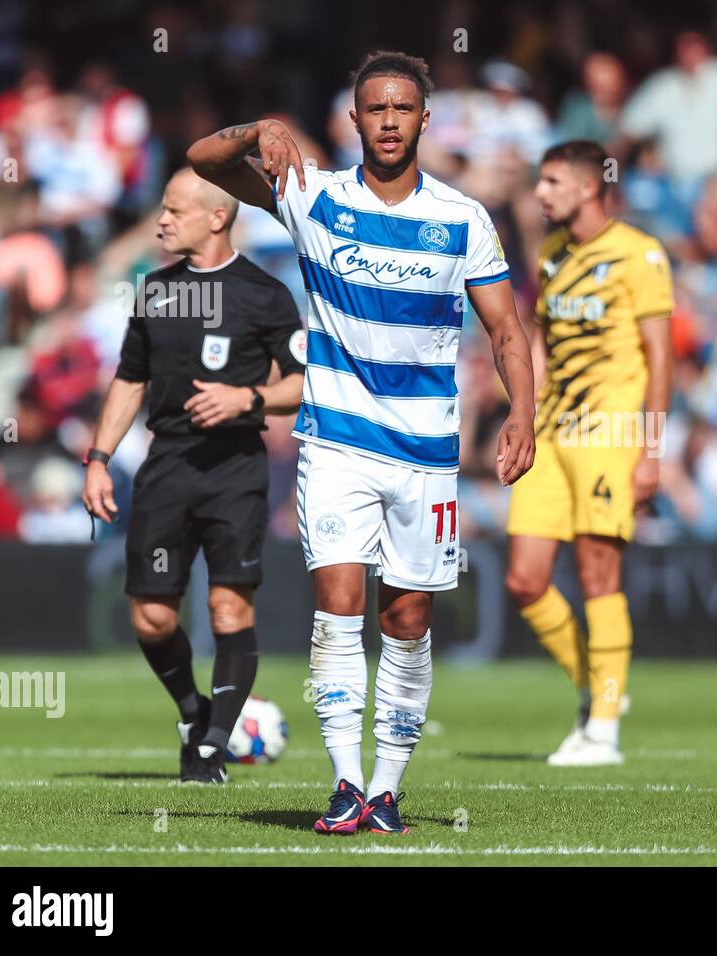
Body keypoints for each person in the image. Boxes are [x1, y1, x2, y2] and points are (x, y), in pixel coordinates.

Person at [187, 51, 536, 834]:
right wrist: (262, 127)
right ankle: (345, 783)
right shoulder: (311, 194)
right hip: (337, 441)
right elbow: (204, 158)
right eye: (374, 108)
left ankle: (386, 787)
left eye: (401, 109)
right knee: (337, 607)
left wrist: (524, 413)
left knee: (407, 620)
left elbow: (507, 329)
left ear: (423, 120)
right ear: (354, 119)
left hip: (427, 450)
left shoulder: (462, 218)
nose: (387, 121)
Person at [81, 168, 305, 783]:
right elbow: (130, 379)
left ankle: (210, 748)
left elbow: (303, 380)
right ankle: (193, 714)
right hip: (168, 469)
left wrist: (246, 400)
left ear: (216, 217)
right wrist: (98, 460)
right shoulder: (154, 290)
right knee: (151, 617)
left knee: (230, 609)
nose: (160, 221)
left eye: (174, 211)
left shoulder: (266, 294)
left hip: (235, 470)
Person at [505, 140, 673, 766]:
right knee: (525, 580)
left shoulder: (639, 254)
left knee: (600, 573)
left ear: (586, 187)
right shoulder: (553, 255)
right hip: (552, 433)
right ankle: (598, 684)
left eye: (550, 182)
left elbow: (662, 357)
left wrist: (651, 450)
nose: (540, 193)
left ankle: (602, 729)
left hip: (610, 435)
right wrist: (523, 417)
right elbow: (544, 347)